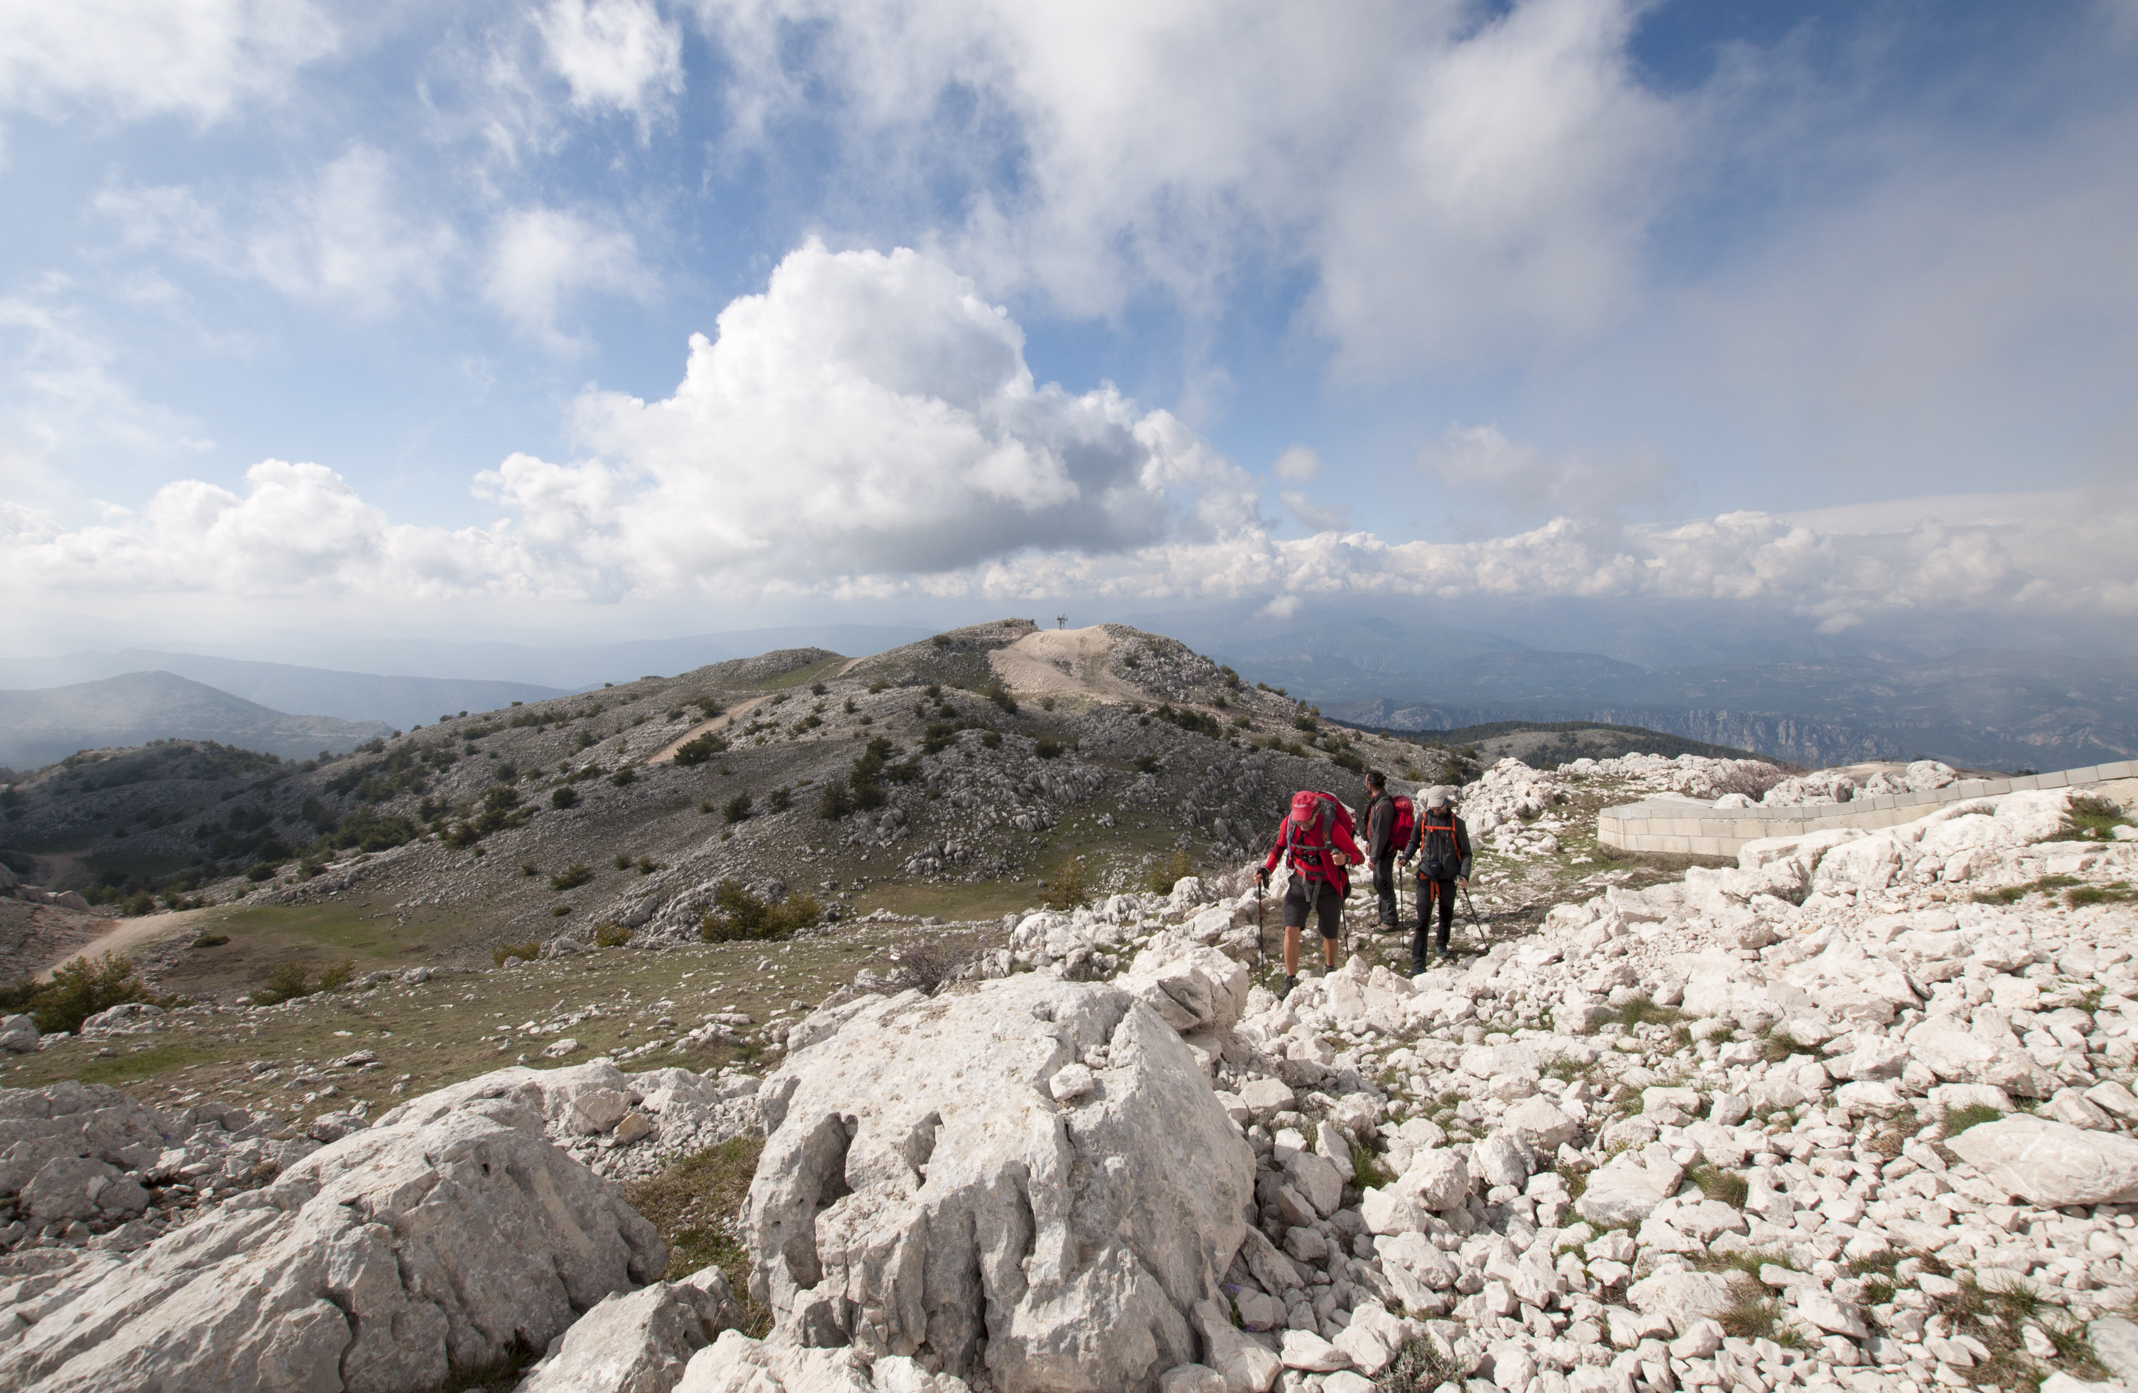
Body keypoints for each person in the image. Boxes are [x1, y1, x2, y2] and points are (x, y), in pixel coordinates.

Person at [1255, 790, 1365, 999]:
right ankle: (1290, 979)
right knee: (1290, 929)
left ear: (1317, 812)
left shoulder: (1331, 827)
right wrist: (1266, 869)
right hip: (1300, 881)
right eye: (1300, 820)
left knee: (1330, 933)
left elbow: (1358, 856)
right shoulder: (1289, 824)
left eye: (1307, 820)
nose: (1303, 824)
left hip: (1329, 884)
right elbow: (1278, 848)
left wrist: (1345, 858)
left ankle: (1330, 970)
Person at [1401, 786, 1471, 971]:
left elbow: (1466, 853)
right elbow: (1414, 842)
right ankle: (1417, 964)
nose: (1435, 809)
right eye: (1433, 806)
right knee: (1422, 920)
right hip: (1426, 876)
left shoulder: (1458, 824)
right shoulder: (1423, 820)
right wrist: (1405, 857)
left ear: (1446, 803)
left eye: (1439, 806)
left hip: (1448, 878)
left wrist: (1464, 875)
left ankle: (1441, 943)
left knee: (1446, 915)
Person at [1362, 770, 1400, 930]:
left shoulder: (1383, 805)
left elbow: (1381, 834)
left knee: (1383, 883)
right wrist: (1370, 843)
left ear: (1370, 784)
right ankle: (1383, 915)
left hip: (1384, 853)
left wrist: (1374, 858)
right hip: (1381, 850)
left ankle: (1390, 919)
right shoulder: (1379, 801)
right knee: (1380, 882)